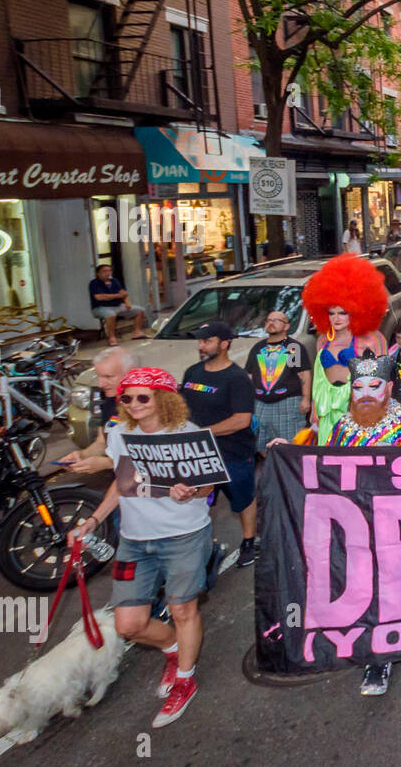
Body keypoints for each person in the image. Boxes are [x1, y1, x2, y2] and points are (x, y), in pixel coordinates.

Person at [272, 351, 401, 695]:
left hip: (400, 522)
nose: (366, 394)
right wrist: (288, 453)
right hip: (356, 522)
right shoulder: (344, 424)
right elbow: (323, 463)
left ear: (388, 388)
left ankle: (384, 653)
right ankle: (373, 647)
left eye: (374, 386)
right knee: (363, 585)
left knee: (392, 586)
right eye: (358, 387)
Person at [69, 368, 214, 728]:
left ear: (164, 399)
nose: (133, 404)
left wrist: (191, 490)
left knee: (183, 611)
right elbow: (122, 484)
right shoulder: (120, 434)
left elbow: (208, 485)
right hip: (134, 541)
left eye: (142, 397)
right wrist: (93, 521)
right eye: (127, 398)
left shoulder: (189, 435)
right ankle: (173, 649)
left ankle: (185, 679)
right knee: (128, 624)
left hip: (184, 535)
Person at [180, 321, 258, 568]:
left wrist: (202, 433)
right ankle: (204, 545)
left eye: (207, 341)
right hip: (199, 453)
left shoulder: (237, 378)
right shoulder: (192, 372)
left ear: (224, 344)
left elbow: (242, 420)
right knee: (200, 500)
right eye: (200, 341)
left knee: (242, 499)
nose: (201, 346)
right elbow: (182, 408)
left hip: (233, 452)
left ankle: (249, 541)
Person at [301, 254, 388, 442]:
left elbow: (383, 380)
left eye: (343, 312)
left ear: (357, 311)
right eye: (331, 313)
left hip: (357, 410)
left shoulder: (372, 339)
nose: (336, 318)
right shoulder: (322, 341)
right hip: (327, 411)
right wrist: (315, 413)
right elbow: (319, 380)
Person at [245, 311, 312, 454]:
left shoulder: (293, 348)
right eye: (268, 320)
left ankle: (289, 474)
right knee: (261, 446)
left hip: (287, 403)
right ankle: (272, 471)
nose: (271, 323)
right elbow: (249, 375)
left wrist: (306, 399)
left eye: (276, 320)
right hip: (260, 404)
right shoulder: (257, 348)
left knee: (290, 445)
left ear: (286, 326)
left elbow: (304, 374)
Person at [62, 345, 136, 474]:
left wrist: (108, 463)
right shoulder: (112, 401)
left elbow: (156, 454)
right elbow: (103, 441)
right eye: (99, 377)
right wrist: (81, 455)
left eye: (109, 377)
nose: (101, 384)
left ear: (130, 373)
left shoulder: (147, 404)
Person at [88, 264, 147, 345]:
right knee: (111, 314)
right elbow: (100, 297)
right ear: (98, 273)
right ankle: (111, 337)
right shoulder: (94, 283)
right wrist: (118, 296)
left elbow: (123, 293)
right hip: (101, 307)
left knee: (140, 310)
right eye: (105, 271)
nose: (108, 273)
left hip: (117, 305)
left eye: (109, 271)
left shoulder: (114, 281)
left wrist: (127, 302)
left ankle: (137, 332)